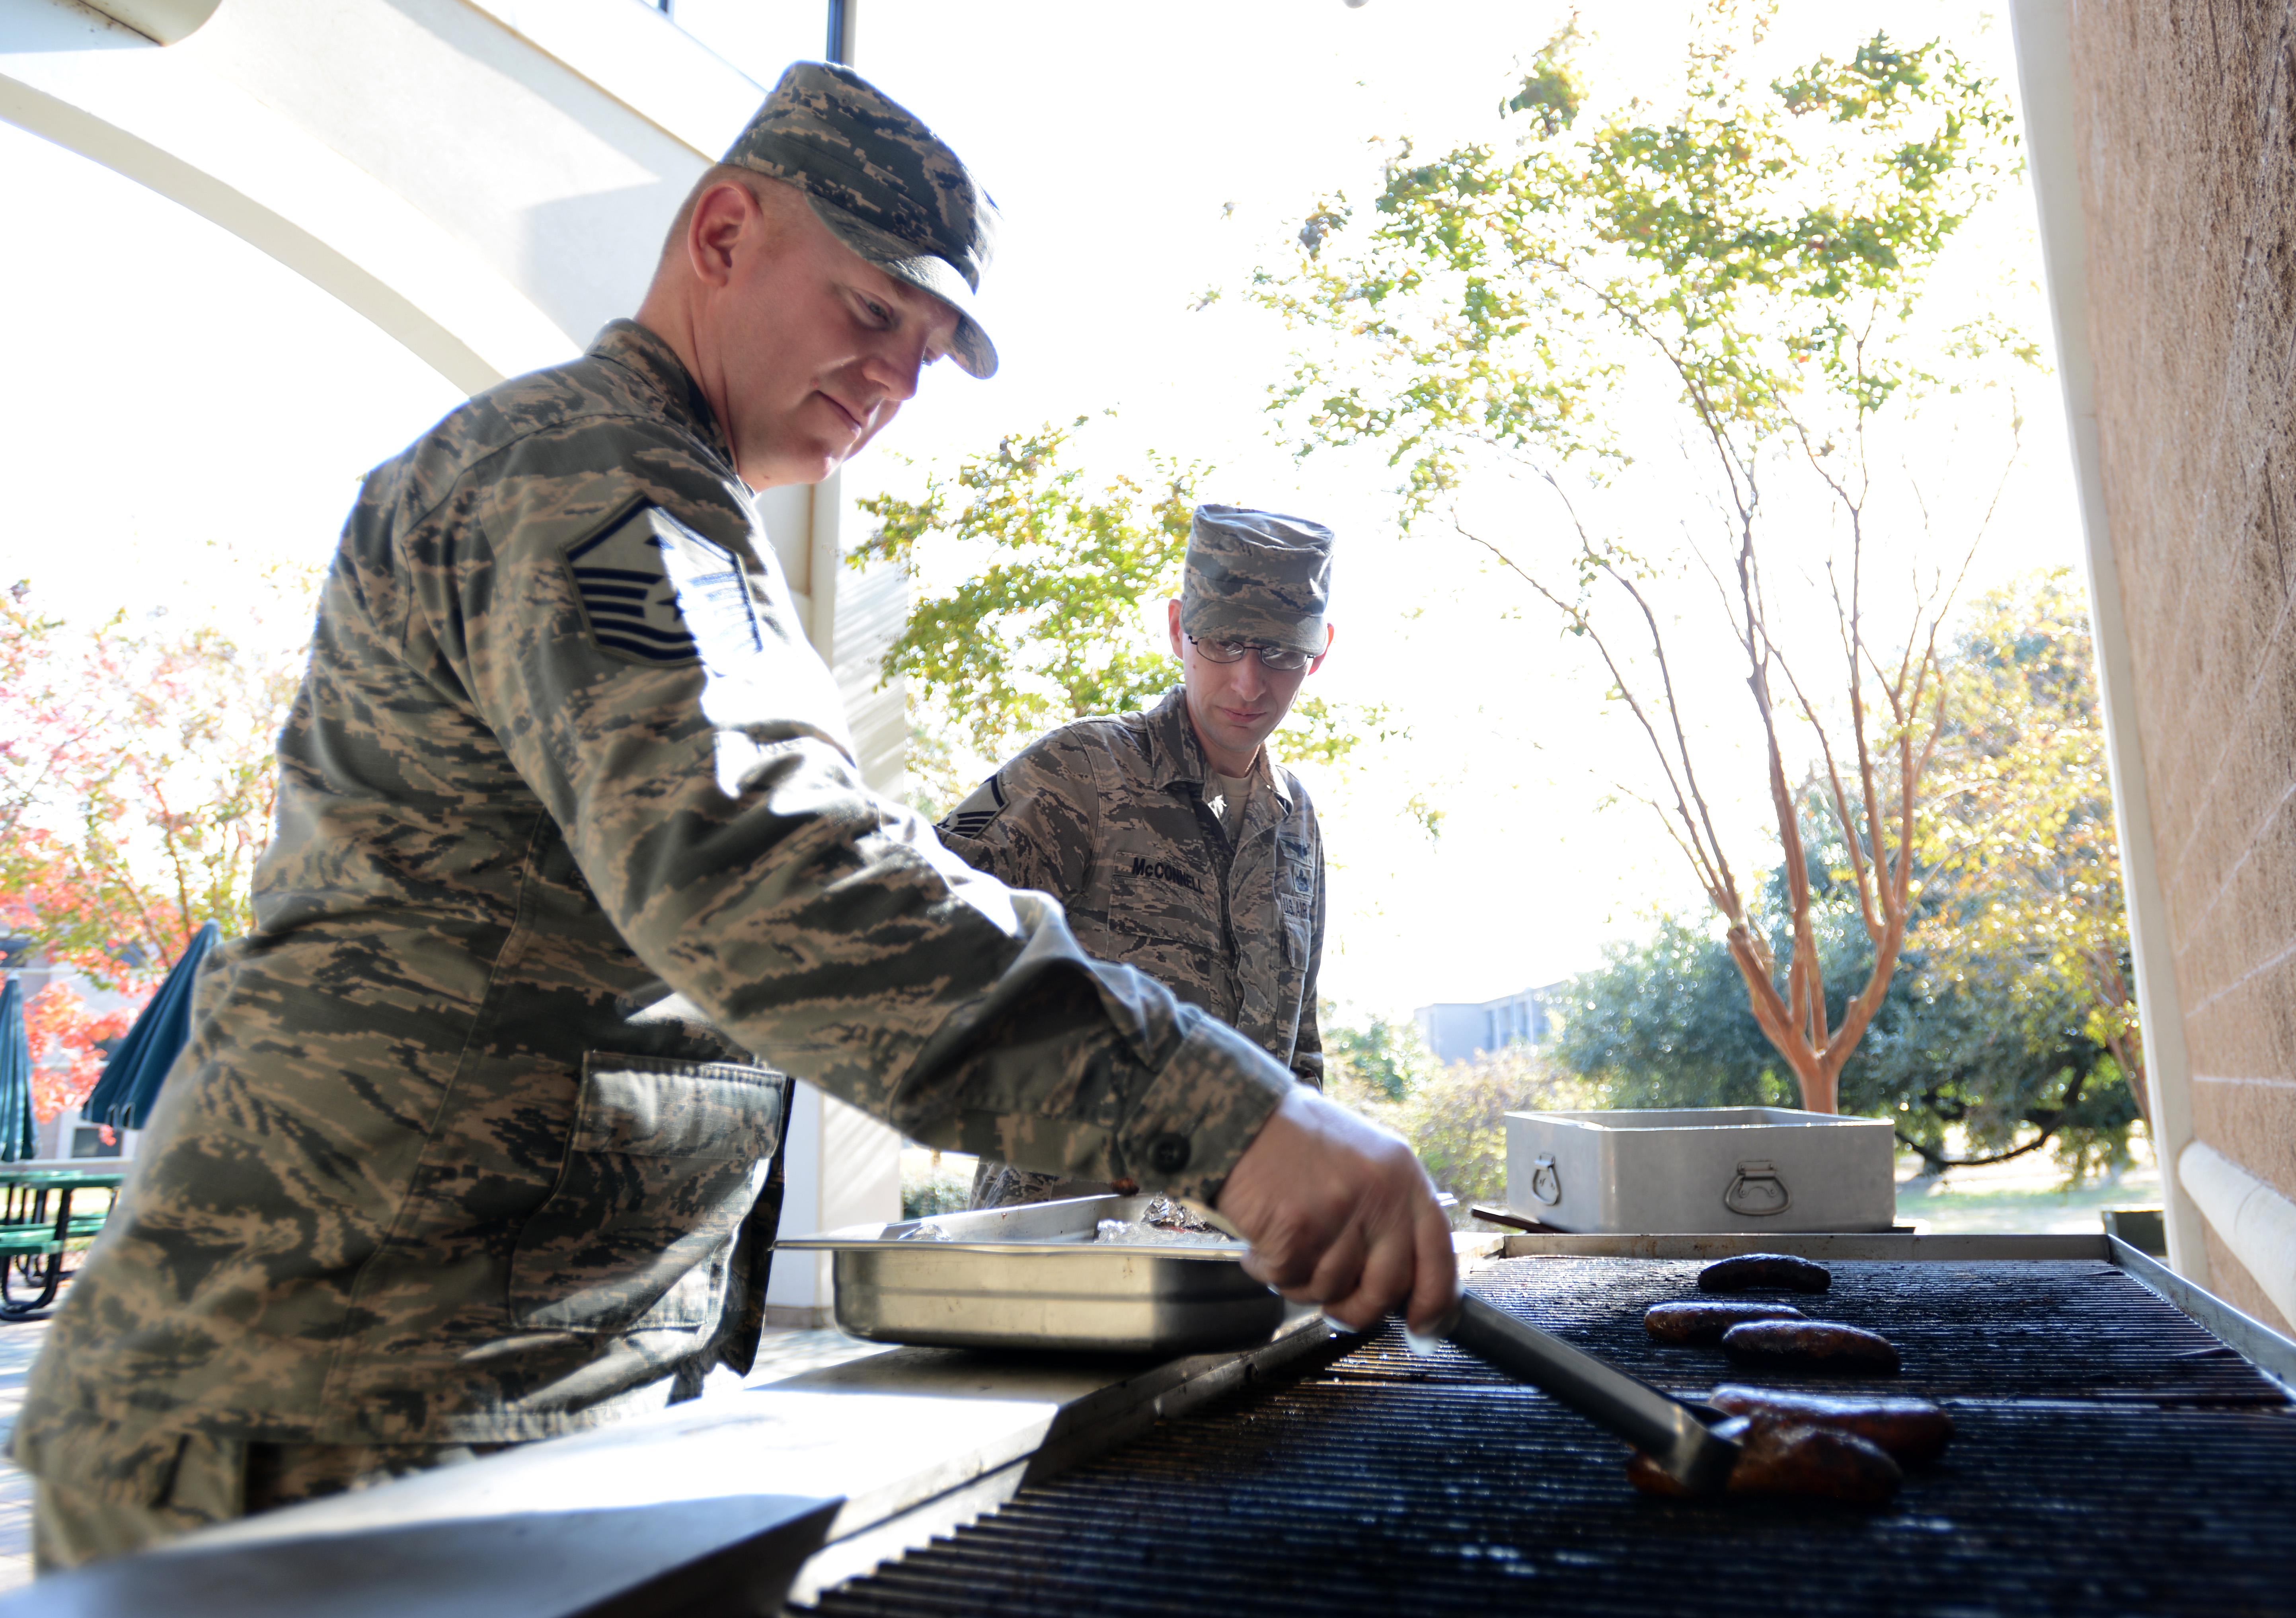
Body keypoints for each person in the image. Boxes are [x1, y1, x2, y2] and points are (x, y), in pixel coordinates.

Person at [15, 63, 1453, 1570]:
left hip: (484, 1390)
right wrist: (1225, 1116)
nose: (894, 380)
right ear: (721, 235)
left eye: (927, 352)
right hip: (324, 1393)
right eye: (872, 310)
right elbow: (771, 875)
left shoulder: (674, 507)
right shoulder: (585, 477)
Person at [941, 505, 1335, 1208]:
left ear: (1320, 651)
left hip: (1221, 1244)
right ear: (1179, 628)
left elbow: (1299, 1054)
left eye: (1280, 653)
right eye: (1223, 643)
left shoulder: (1295, 822)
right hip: (1056, 1234)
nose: (1249, 683)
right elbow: (925, 928)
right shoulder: (1082, 772)